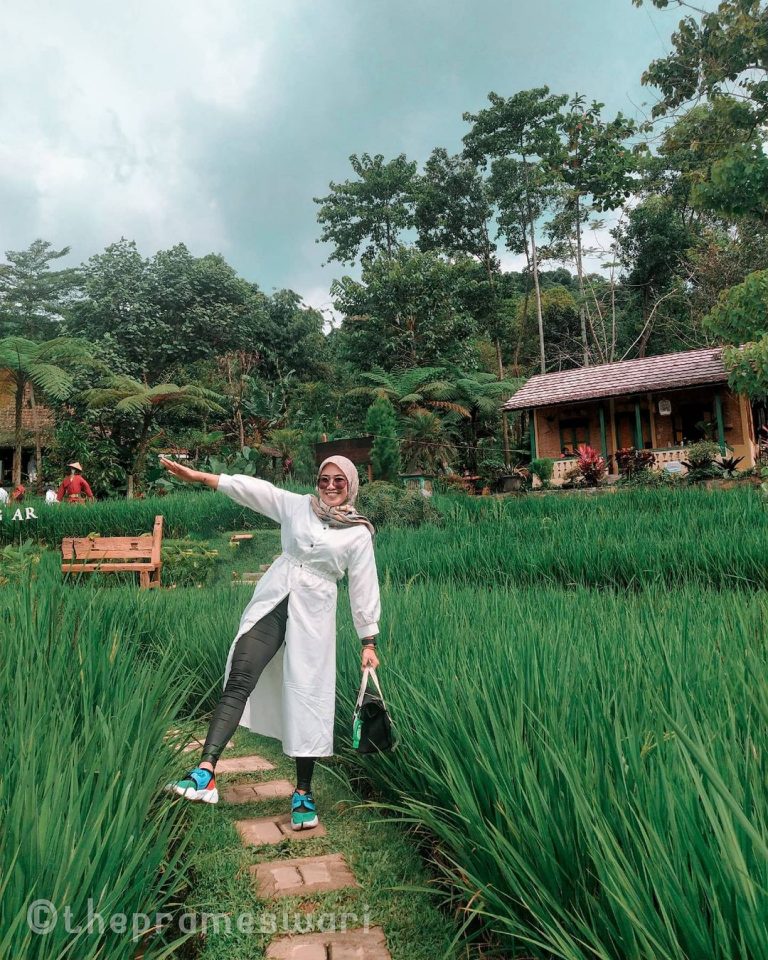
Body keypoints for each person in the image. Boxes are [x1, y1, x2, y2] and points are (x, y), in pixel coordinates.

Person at [160, 454, 381, 830]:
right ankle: (205, 771)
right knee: (240, 676)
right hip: (275, 599)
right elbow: (255, 491)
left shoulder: (358, 533)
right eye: (324, 479)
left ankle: (303, 793)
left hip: (314, 612)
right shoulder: (298, 507)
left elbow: (363, 585)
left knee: (306, 694)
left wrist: (369, 641)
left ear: (351, 486)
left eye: (338, 482)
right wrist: (202, 477)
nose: (329, 487)